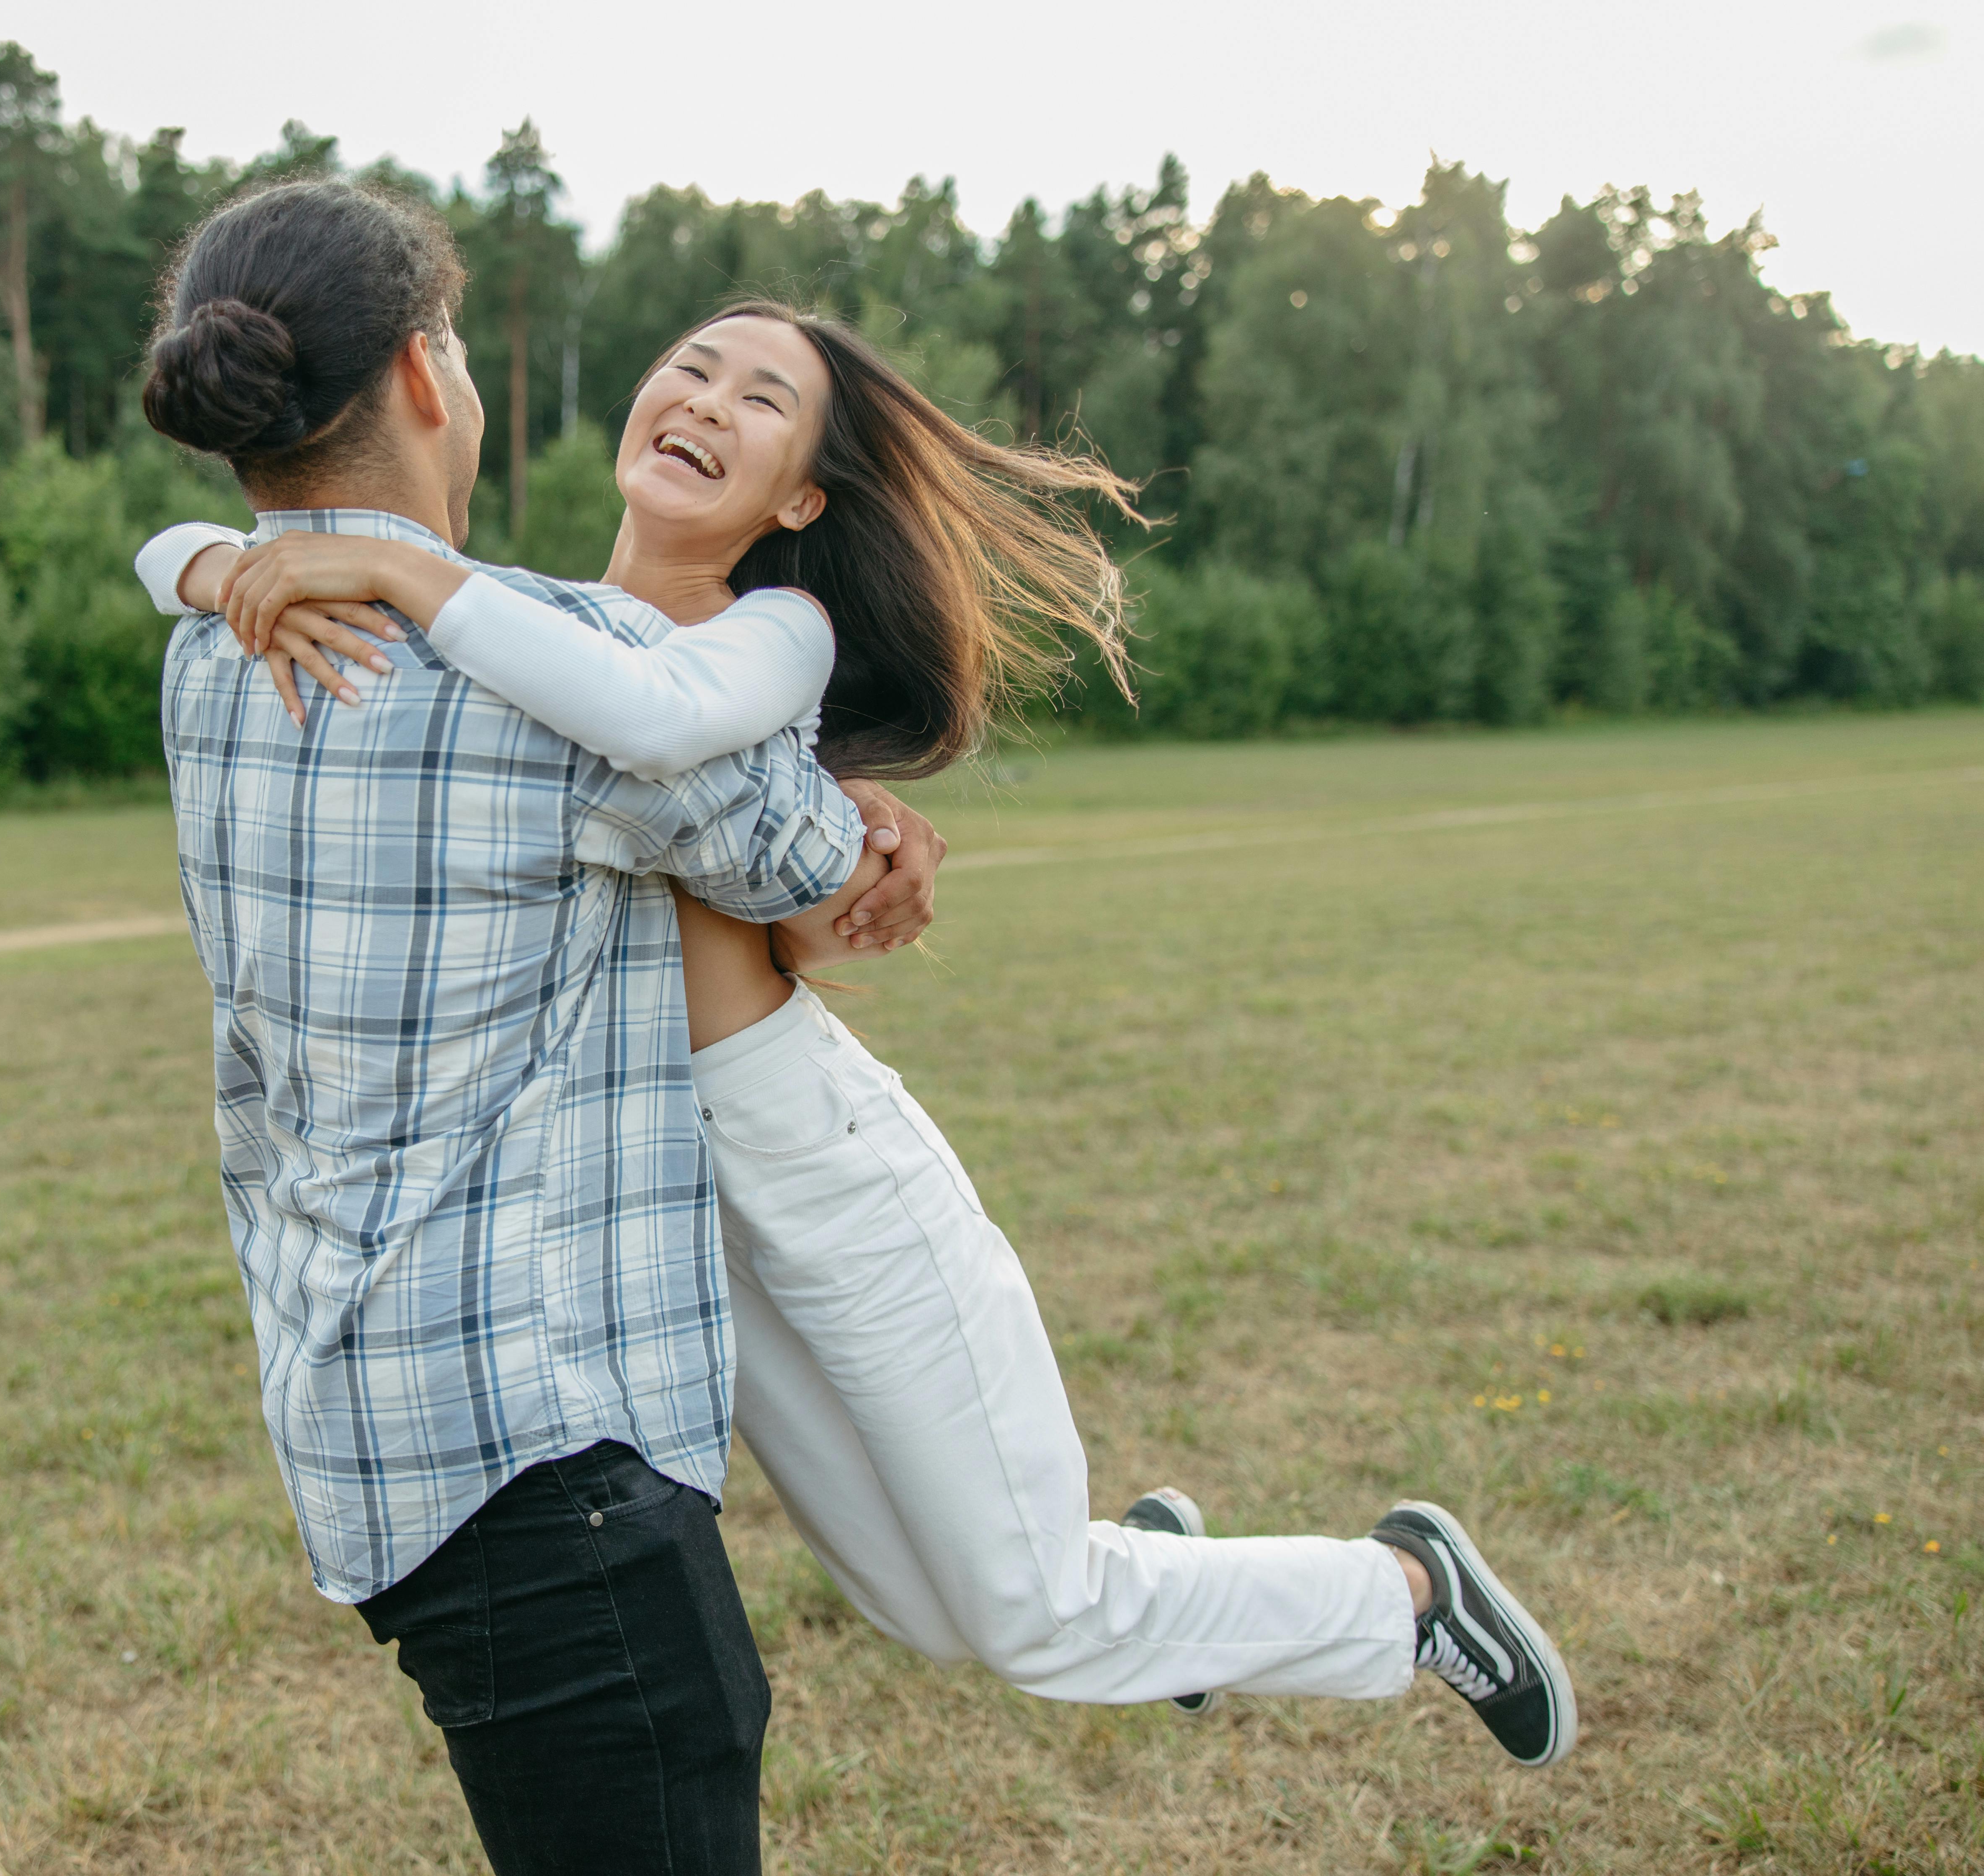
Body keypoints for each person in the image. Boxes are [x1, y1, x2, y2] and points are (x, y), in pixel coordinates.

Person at [139, 302, 1578, 1771]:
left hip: (804, 1152)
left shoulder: (768, 636)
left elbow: (720, 801)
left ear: (803, 497)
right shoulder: (537, 632)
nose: (709, 401)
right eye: (692, 368)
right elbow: (259, 587)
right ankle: (1181, 1589)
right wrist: (213, 561)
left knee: (1037, 1614)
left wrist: (387, 560)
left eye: (765, 400)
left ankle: (1405, 1591)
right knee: (923, 1607)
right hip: (659, 1204)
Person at [141, 180, 948, 1875]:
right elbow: (803, 855)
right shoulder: (545, 667)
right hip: (546, 1449)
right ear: (432, 373)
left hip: (371, 1415)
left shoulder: (211, 646)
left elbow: (192, 567)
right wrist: (870, 804)